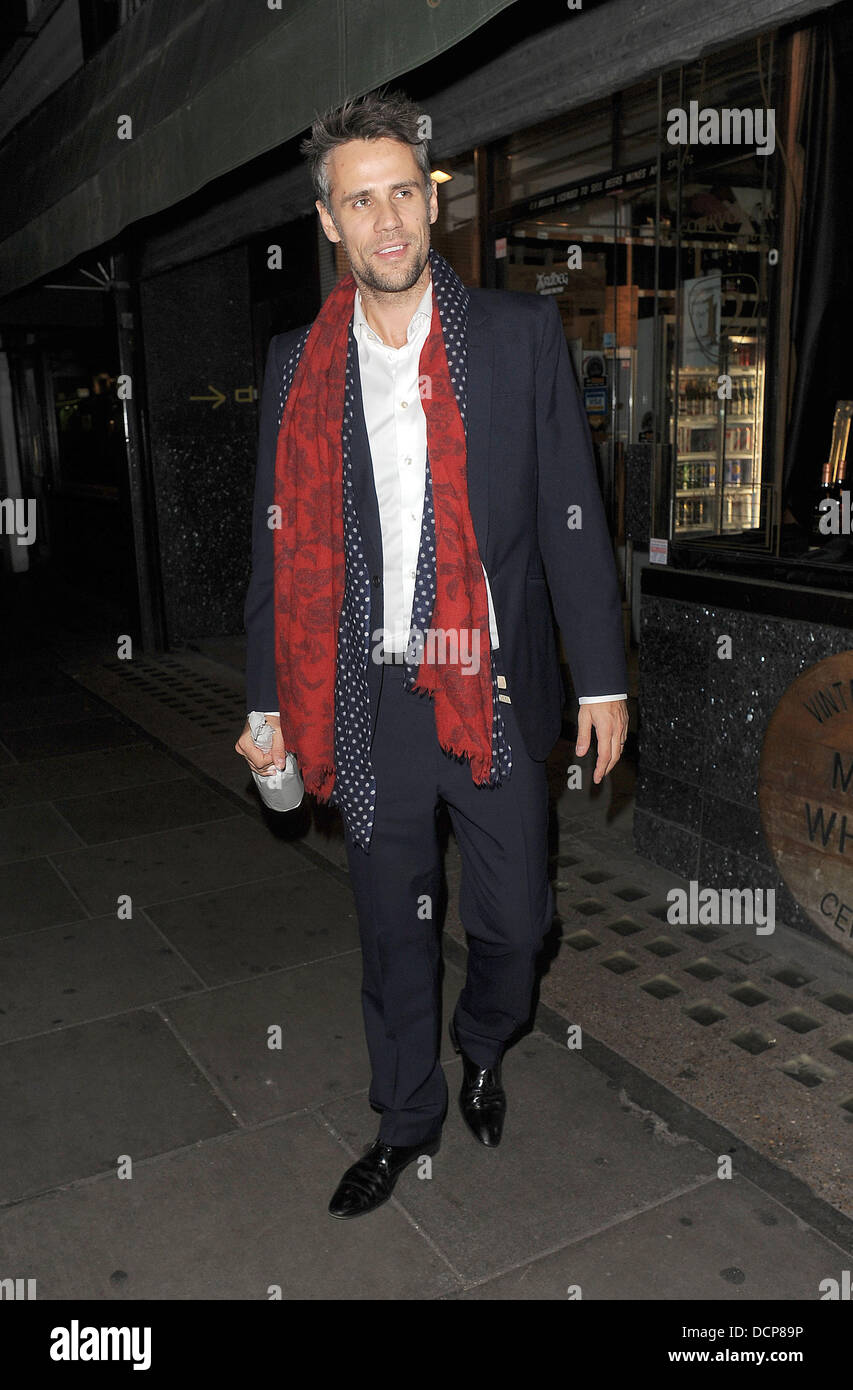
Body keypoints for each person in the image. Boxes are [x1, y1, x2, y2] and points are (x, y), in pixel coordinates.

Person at [235, 89, 628, 1219]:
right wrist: (268, 702)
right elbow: (276, 551)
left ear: (431, 198)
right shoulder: (293, 368)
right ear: (329, 222)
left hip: (493, 688)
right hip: (367, 696)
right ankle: (403, 1118)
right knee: (390, 924)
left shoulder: (515, 336)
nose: (387, 219)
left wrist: (601, 677)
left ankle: (485, 1041)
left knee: (516, 923)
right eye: (360, 201)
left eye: (403, 191)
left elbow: (571, 514)